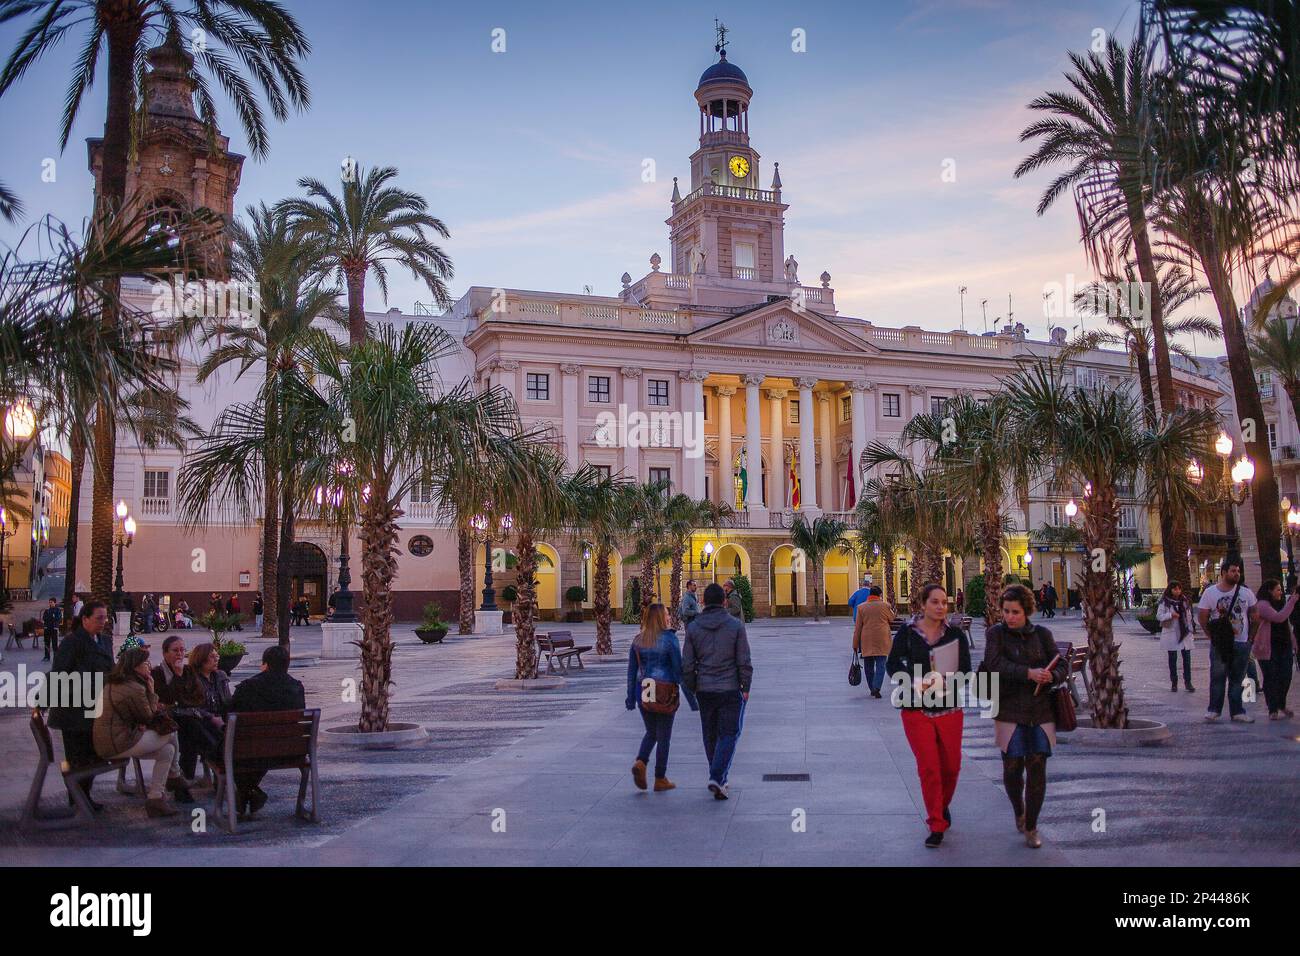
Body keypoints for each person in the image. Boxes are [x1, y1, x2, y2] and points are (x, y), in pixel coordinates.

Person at [980, 585, 1067, 849]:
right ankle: (1018, 809)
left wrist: (1051, 675)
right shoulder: (996, 634)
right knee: (1012, 767)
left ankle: (1031, 825)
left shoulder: (1042, 634)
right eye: (1006, 611)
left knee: (1038, 766)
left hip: (1040, 710)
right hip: (1008, 709)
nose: (1009, 617)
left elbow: (1060, 664)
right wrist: (1028, 673)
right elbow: (994, 664)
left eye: (1015, 612)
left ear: (1027, 611)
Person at [887, 582, 971, 848]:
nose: (940, 607)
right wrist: (913, 680)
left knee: (951, 767)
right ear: (922, 604)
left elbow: (966, 670)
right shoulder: (908, 633)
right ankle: (936, 823)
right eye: (935, 602)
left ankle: (942, 805)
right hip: (916, 709)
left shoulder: (955, 634)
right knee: (929, 768)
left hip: (949, 708)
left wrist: (948, 682)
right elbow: (892, 663)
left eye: (944, 602)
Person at [93, 647, 188, 817]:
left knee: (167, 751)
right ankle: (175, 776)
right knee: (170, 732)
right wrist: (151, 691)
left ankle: (156, 799)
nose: (149, 666)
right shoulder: (134, 687)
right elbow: (148, 716)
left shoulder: (116, 682)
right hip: (117, 743)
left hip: (113, 738)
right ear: (135, 666)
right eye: (145, 663)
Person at [683, 582, 752, 799]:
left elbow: (687, 664)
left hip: (704, 689)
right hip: (730, 688)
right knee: (729, 733)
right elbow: (744, 660)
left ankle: (720, 779)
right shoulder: (735, 626)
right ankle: (717, 775)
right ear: (724, 601)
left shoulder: (694, 628)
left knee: (710, 734)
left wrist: (694, 687)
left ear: (703, 602)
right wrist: (746, 686)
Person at [48, 600, 114, 810]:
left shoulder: (104, 641)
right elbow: (59, 674)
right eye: (99, 618)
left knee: (93, 756)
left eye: (105, 617)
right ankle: (78, 800)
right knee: (78, 758)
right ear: (85, 619)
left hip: (95, 708)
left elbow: (110, 669)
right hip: (73, 712)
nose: (103, 622)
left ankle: (83, 798)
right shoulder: (72, 642)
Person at [626, 603, 698, 792]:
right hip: (665, 691)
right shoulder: (669, 639)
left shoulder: (638, 640)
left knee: (651, 731)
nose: (669, 617)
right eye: (666, 614)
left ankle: (641, 762)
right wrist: (692, 700)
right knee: (664, 736)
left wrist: (630, 698)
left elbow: (632, 671)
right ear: (659, 618)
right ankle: (660, 778)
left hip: (644, 690)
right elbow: (678, 670)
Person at [230, 645, 306, 816]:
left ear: (265, 664)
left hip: (250, 751)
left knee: (234, 751)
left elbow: (229, 714)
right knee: (263, 747)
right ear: (287, 664)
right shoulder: (297, 687)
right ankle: (247, 793)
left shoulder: (248, 687)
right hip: (291, 751)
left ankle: (246, 793)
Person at [1196, 556, 1259, 723]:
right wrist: (1212, 636)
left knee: (1238, 678)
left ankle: (1237, 711)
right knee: (1217, 676)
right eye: (1233, 571)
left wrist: (1250, 639)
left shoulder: (1246, 592)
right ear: (1224, 573)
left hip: (1241, 642)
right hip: (1220, 644)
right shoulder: (1210, 593)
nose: (1237, 573)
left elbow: (1255, 616)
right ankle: (1214, 710)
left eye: (1238, 571)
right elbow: (1202, 617)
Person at [152, 635, 216, 785]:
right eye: (175, 650)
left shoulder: (188, 671)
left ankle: (183, 780)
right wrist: (178, 678)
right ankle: (214, 758)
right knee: (192, 730)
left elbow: (198, 698)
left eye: (182, 650)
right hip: (169, 722)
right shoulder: (157, 674)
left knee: (193, 731)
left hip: (189, 720)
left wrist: (181, 701)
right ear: (165, 653)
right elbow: (167, 700)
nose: (179, 654)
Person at [1253, 578, 1298, 721]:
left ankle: (1281, 704)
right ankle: (1273, 709)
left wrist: (1293, 641)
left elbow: (1286, 623)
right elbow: (1279, 617)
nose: (1280, 592)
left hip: (1284, 645)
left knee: (1285, 675)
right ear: (1269, 591)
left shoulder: (1280, 603)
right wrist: (1292, 601)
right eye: (1278, 589)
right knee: (1271, 677)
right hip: (1268, 647)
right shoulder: (1262, 604)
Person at [852, 586, 893, 698]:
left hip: (867, 639)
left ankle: (872, 688)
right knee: (881, 664)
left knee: (868, 665)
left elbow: (858, 628)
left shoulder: (861, 607)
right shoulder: (885, 606)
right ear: (879, 595)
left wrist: (855, 644)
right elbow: (892, 618)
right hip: (882, 638)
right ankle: (877, 687)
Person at [1156, 581, 1196, 693]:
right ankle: (1174, 682)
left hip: (1184, 633)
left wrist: (1190, 629)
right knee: (1172, 659)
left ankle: (1188, 682)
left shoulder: (1184, 601)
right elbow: (1159, 616)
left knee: (1187, 659)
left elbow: (1189, 616)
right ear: (1170, 589)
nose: (1177, 591)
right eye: (1174, 589)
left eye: (1179, 588)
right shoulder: (1165, 602)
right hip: (1171, 633)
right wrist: (1170, 615)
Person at [41, 597, 62, 661]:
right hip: (47, 628)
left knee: (54, 644)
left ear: (55, 603)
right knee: (46, 643)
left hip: (54, 628)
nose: (50, 604)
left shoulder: (58, 610)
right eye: (49, 602)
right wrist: (51, 618)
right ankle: (47, 656)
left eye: (51, 602)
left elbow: (58, 619)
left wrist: (52, 618)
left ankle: (56, 657)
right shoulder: (47, 610)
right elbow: (44, 618)